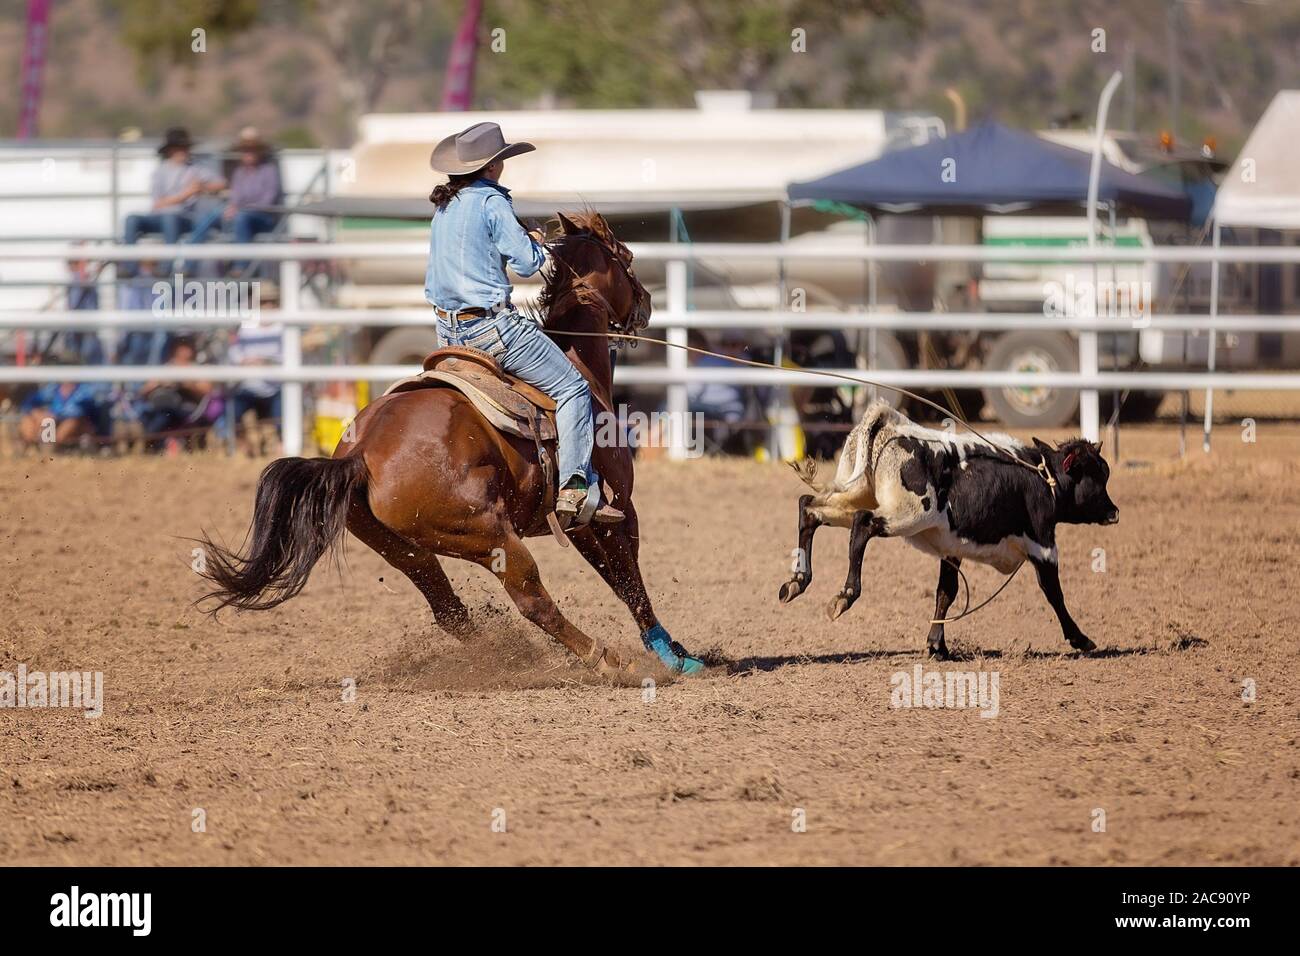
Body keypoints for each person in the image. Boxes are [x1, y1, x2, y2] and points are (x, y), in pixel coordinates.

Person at [424, 121, 622, 525]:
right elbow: (530, 265)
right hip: (491, 330)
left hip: (447, 333)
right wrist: (530, 240)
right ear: (494, 166)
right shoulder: (492, 202)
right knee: (571, 388)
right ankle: (575, 485)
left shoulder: (445, 205)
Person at [122, 128, 225, 277]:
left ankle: (166, 266)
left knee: (170, 218)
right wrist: (185, 194)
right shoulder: (160, 172)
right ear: (171, 150)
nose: (184, 151)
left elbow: (221, 183)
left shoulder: (195, 169)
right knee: (131, 219)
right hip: (161, 216)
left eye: (185, 148)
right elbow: (157, 204)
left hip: (184, 217)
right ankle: (129, 266)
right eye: (180, 148)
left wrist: (202, 187)